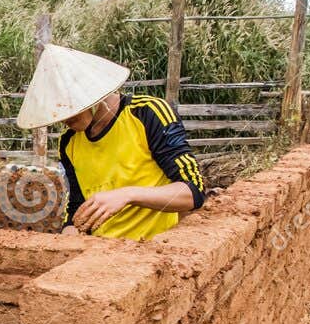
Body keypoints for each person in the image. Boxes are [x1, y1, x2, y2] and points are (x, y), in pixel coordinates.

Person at [16, 43, 205, 240]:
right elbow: (76, 204)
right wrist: (70, 230)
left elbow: (193, 191)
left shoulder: (147, 114)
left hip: (154, 252)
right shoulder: (69, 141)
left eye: (69, 109)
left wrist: (127, 195)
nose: (64, 119)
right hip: (102, 254)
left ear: (90, 93)